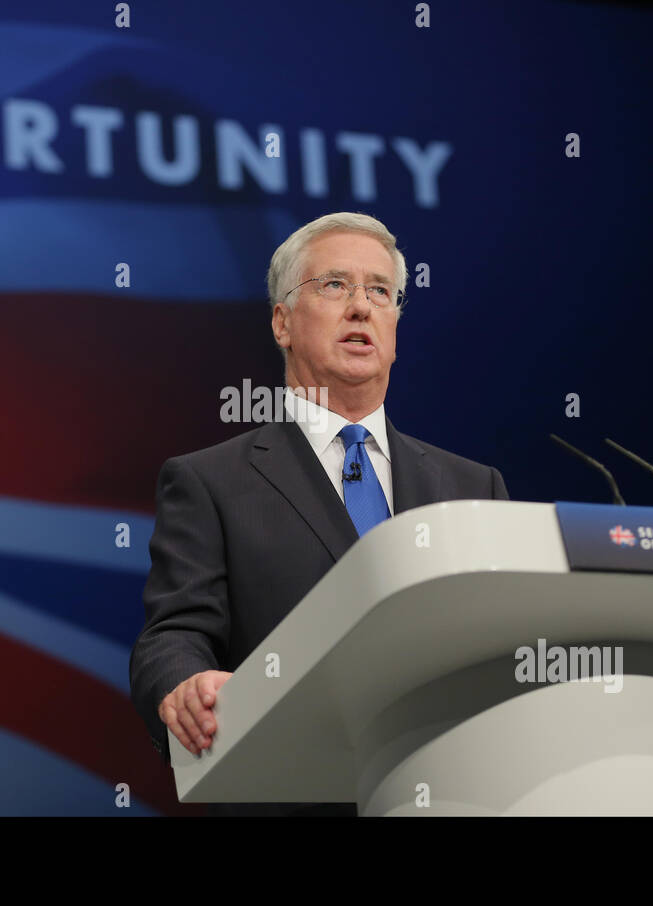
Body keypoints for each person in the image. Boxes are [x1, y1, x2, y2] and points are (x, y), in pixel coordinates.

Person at [129, 212, 509, 815]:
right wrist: (183, 685)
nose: (361, 307)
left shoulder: (474, 487)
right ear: (282, 321)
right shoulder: (210, 481)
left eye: (380, 291)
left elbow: (507, 643)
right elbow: (175, 635)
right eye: (335, 286)